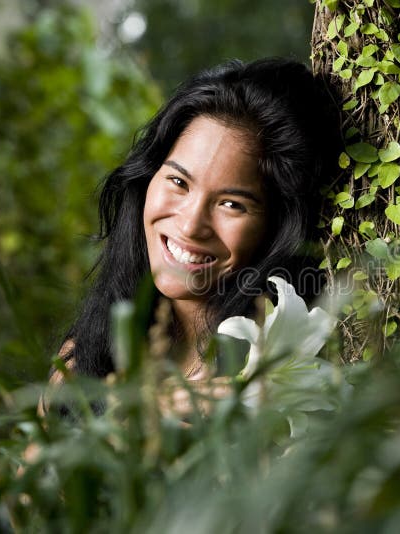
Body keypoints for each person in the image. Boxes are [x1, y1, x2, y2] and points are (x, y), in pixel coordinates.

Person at [41, 58, 341, 415]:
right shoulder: (83, 359)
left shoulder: (272, 378)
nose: (190, 225)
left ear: (277, 229)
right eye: (178, 182)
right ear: (148, 179)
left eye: (232, 204)